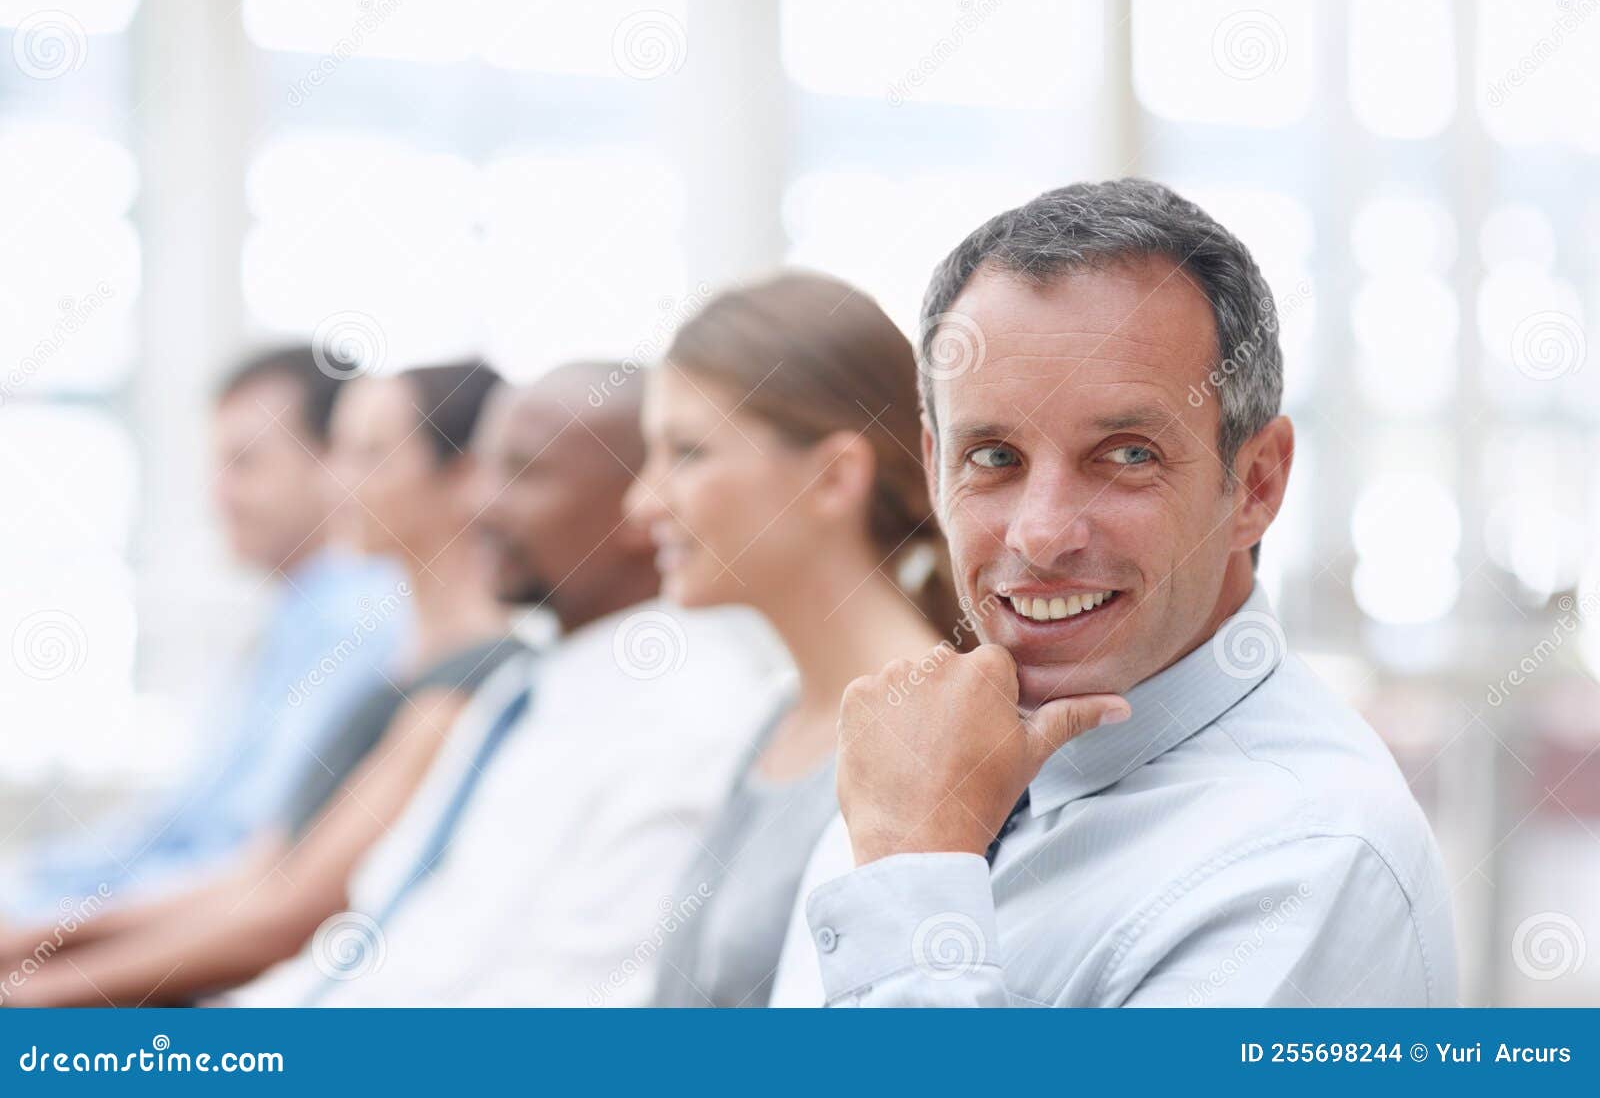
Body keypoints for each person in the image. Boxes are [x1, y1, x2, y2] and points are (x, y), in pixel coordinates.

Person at [770, 178, 1458, 1007]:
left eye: (1128, 455)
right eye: (993, 457)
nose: (1041, 534)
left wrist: (915, 876)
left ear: (1258, 483)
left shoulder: (1314, 860)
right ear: (933, 466)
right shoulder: (913, 768)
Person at [229, 363, 784, 1006]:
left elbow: (564, 1002)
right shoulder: (518, 690)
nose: (480, 504)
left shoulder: (688, 717)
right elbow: (378, 932)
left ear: (642, 505)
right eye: (486, 469)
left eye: (526, 473)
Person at [1, 361, 517, 1005]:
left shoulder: (462, 679)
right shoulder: (401, 669)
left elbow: (288, 913)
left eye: (371, 455)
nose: (338, 483)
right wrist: (36, 948)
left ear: (465, 476)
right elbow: (260, 875)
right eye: (338, 453)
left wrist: (30, 989)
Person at [627, 272, 957, 1007]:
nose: (642, 500)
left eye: (688, 453)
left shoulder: (931, 738)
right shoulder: (780, 721)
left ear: (836, 476)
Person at [0, 345, 411, 919]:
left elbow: (241, 857)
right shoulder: (296, 616)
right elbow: (177, 825)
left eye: (244, 463)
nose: (219, 495)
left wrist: (43, 921)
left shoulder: (361, 624)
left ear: (332, 462)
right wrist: (30, 891)